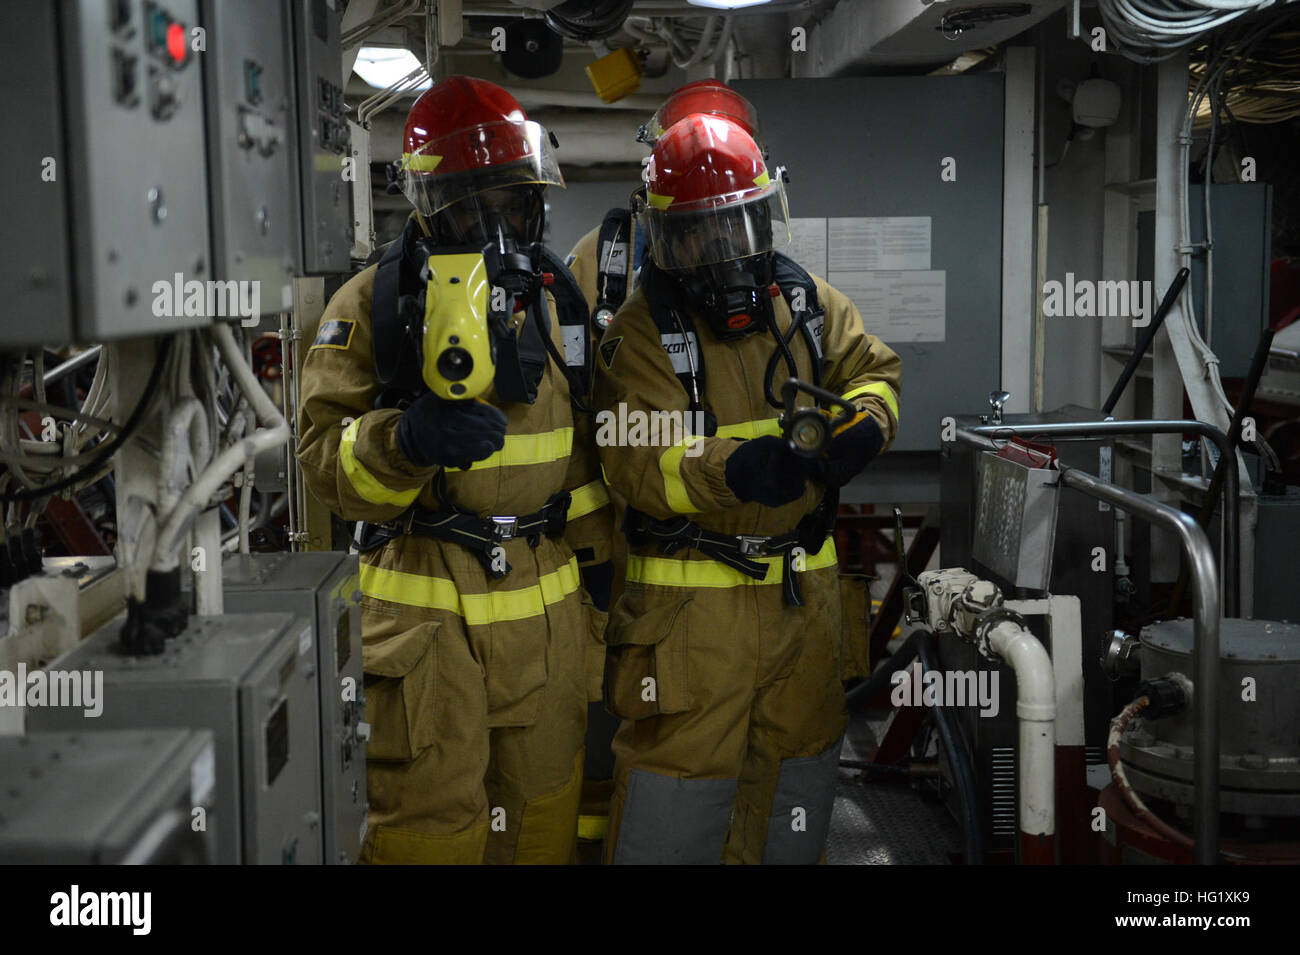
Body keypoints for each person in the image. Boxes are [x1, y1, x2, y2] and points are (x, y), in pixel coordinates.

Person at [296, 75, 611, 864]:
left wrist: (605, 596)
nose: (498, 225)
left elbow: (583, 465)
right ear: (431, 206)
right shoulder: (372, 305)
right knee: (426, 836)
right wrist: (407, 441)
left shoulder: (557, 303)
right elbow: (321, 463)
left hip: (545, 623)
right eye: (472, 205)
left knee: (541, 824)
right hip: (423, 632)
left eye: (514, 202)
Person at [592, 113, 901, 864]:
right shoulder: (638, 333)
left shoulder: (810, 307)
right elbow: (634, 454)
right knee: (675, 809)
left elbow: (875, 374)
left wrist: (865, 424)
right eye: (699, 234)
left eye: (740, 227)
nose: (725, 253)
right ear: (666, 241)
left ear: (768, 217)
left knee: (794, 799)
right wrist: (733, 468)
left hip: (803, 611)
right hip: (691, 628)